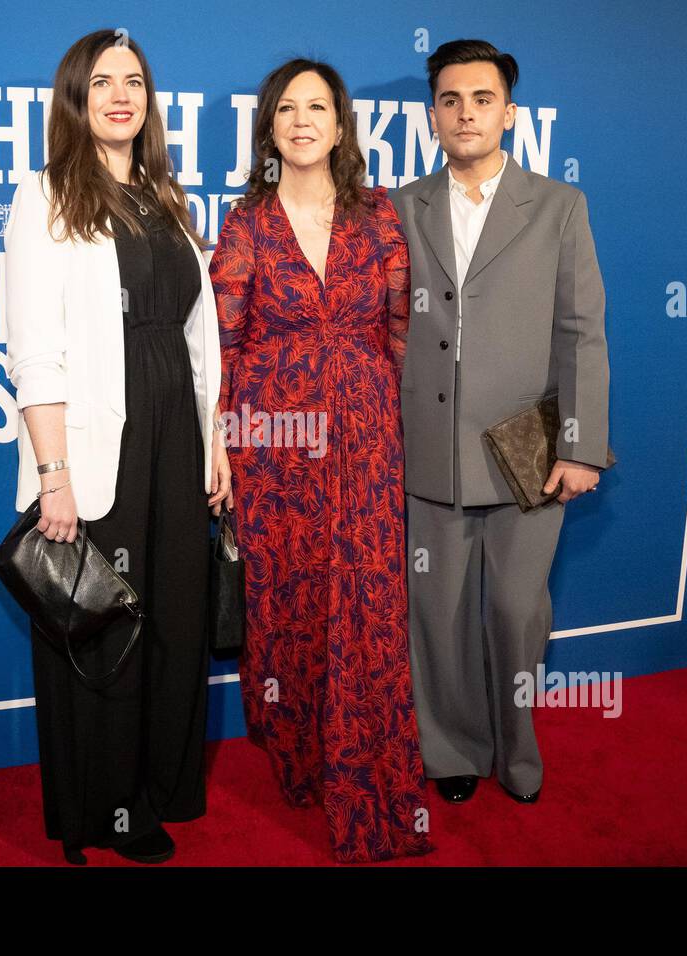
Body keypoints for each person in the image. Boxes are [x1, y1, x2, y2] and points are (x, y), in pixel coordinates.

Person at [2, 28, 230, 865]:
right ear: (76, 97)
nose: (121, 95)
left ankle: (164, 785)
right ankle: (108, 809)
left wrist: (217, 443)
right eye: (102, 82)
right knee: (104, 622)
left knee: (171, 613)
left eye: (134, 80)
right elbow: (33, 348)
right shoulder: (48, 195)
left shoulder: (169, 198)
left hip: (178, 434)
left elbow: (201, 338)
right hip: (99, 447)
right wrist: (53, 475)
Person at [208, 58, 431, 863]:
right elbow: (226, 347)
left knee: (368, 603)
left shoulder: (379, 220)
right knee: (290, 604)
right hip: (272, 441)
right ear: (268, 127)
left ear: (341, 125)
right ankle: (302, 760)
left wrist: (389, 427)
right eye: (287, 109)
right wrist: (221, 445)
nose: (302, 121)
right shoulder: (244, 224)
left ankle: (371, 782)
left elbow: (400, 333)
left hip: (366, 435)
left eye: (318, 107)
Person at [391, 39, 611, 806]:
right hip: (428, 453)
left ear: (509, 113)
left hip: (528, 453)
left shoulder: (558, 206)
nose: (465, 113)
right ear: (433, 115)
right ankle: (451, 751)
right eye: (450, 100)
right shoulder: (398, 206)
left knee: (518, 615)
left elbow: (582, 331)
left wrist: (581, 447)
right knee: (439, 615)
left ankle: (517, 754)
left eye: (481, 99)